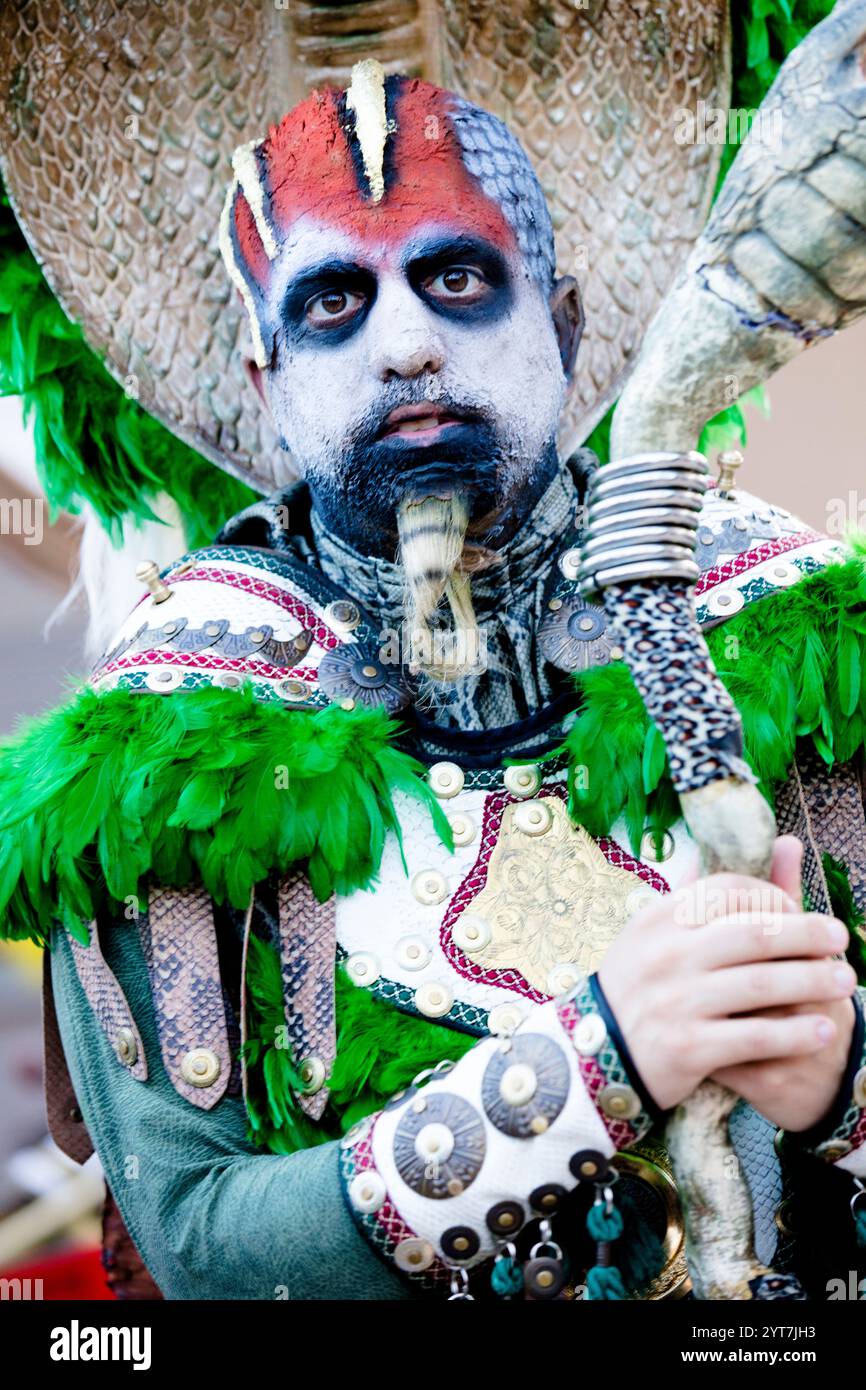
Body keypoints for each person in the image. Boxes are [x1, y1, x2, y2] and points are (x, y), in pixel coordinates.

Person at [3, 58, 866, 1302]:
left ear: (565, 324)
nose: (405, 345)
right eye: (333, 302)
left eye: (455, 277)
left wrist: (839, 1082)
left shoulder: (809, 637)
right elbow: (194, 1247)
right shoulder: (158, 748)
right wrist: (602, 1059)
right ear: (268, 386)